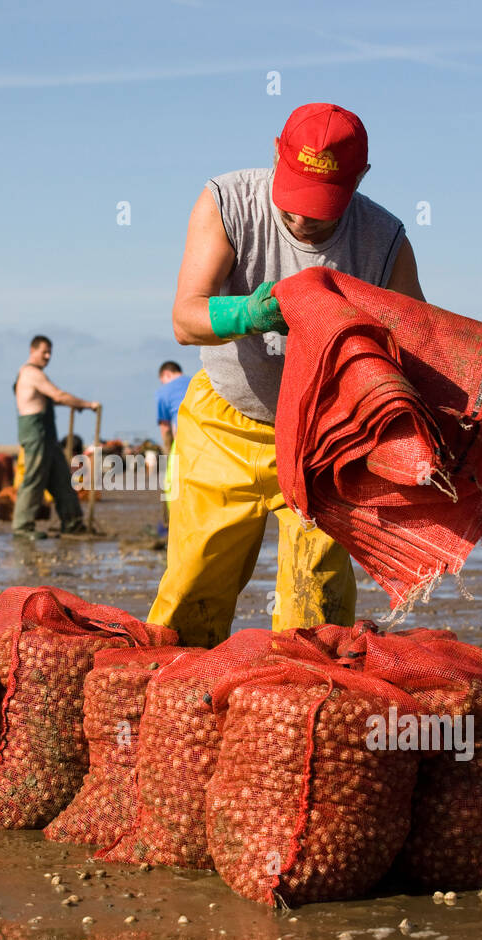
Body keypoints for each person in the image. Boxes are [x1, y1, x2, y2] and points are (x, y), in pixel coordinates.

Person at [149, 102, 424, 648]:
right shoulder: (228, 202)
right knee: (191, 589)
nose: (300, 221)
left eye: (319, 210)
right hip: (224, 422)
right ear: (277, 156)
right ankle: (184, 711)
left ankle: (299, 718)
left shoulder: (383, 241)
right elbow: (185, 318)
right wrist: (245, 315)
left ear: (359, 179)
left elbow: (413, 344)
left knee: (315, 608)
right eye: (294, 203)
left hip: (324, 437)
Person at [12, 335, 99, 539]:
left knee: (61, 479)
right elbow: (58, 395)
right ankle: (22, 527)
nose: (48, 356)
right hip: (35, 433)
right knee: (34, 479)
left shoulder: (35, 374)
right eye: (44, 352)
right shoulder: (31, 373)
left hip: (47, 434)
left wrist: (75, 404)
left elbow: (52, 399)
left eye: (50, 352)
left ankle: (72, 522)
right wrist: (87, 404)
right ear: (32, 350)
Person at [155, 361, 192, 529]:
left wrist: (168, 448)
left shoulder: (164, 391)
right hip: (209, 436)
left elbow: (164, 426)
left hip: (184, 437)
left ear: (166, 375)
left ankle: (174, 524)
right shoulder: (196, 382)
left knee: (172, 483)